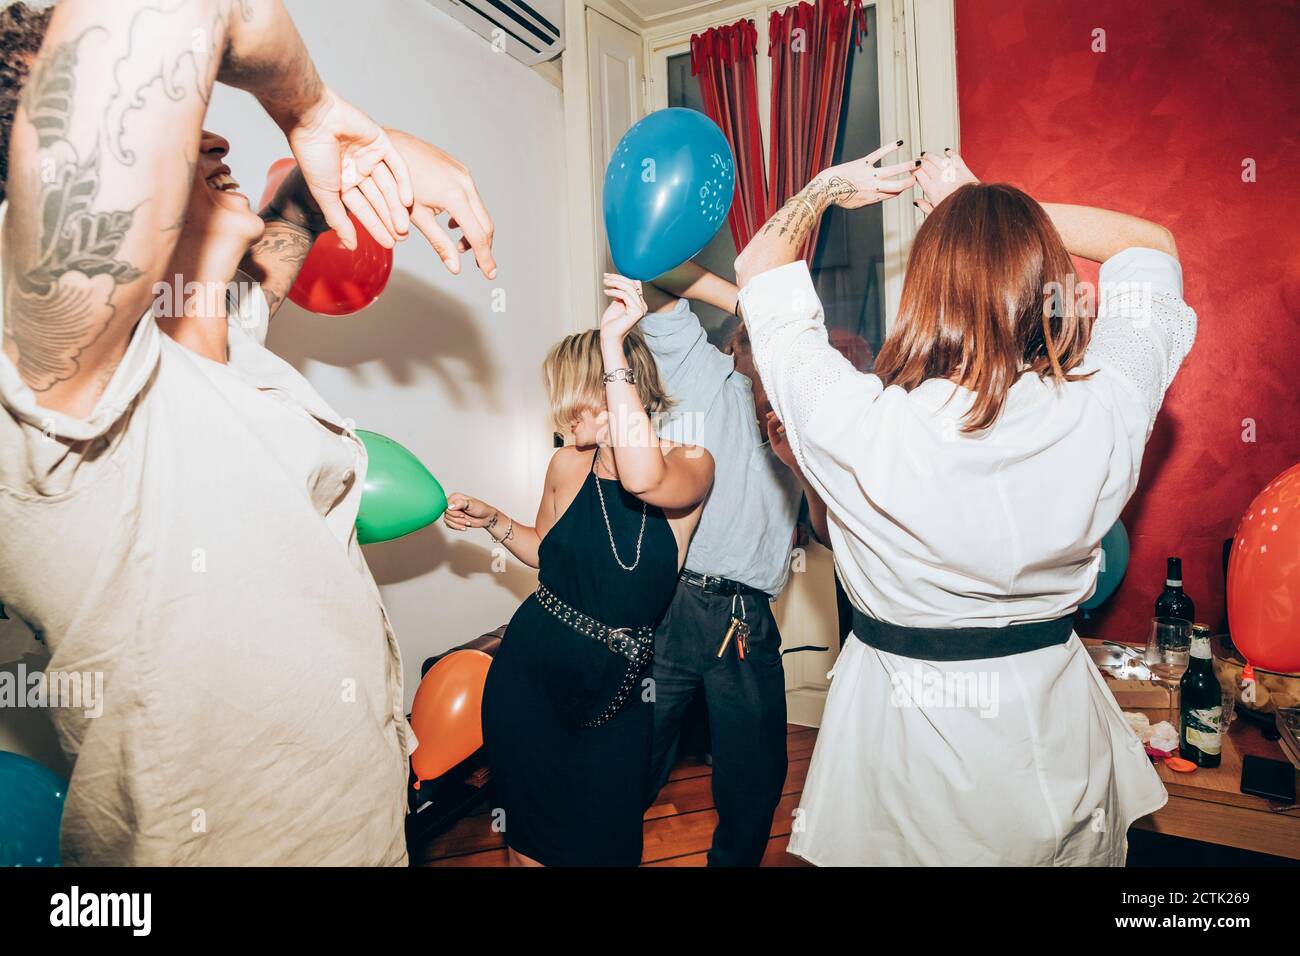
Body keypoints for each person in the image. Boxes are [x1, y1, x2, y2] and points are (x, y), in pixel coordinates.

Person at [0, 0, 495, 865]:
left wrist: (370, 148)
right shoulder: (56, 380)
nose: (215, 141)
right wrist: (306, 104)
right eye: (181, 126)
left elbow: (293, 222)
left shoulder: (220, 336)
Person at [734, 144, 1192, 865]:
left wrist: (824, 188)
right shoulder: (1107, 411)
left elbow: (760, 268)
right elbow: (1152, 247)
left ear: (922, 292)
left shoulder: (860, 426)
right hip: (1058, 739)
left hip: (911, 754)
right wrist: (996, 213)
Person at [441, 274, 714, 866]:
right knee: (529, 846)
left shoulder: (691, 461)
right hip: (528, 681)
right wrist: (495, 522)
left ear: (616, 389)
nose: (561, 411)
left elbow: (643, 477)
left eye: (571, 395)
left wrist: (615, 347)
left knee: (608, 847)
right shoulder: (567, 464)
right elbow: (545, 551)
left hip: (616, 698)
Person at [633, 262, 802, 867]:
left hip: (745, 619)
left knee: (756, 773)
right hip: (672, 606)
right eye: (760, 340)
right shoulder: (704, 375)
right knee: (634, 751)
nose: (774, 356)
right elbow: (653, 272)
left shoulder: (805, 421)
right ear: (737, 344)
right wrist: (752, 300)